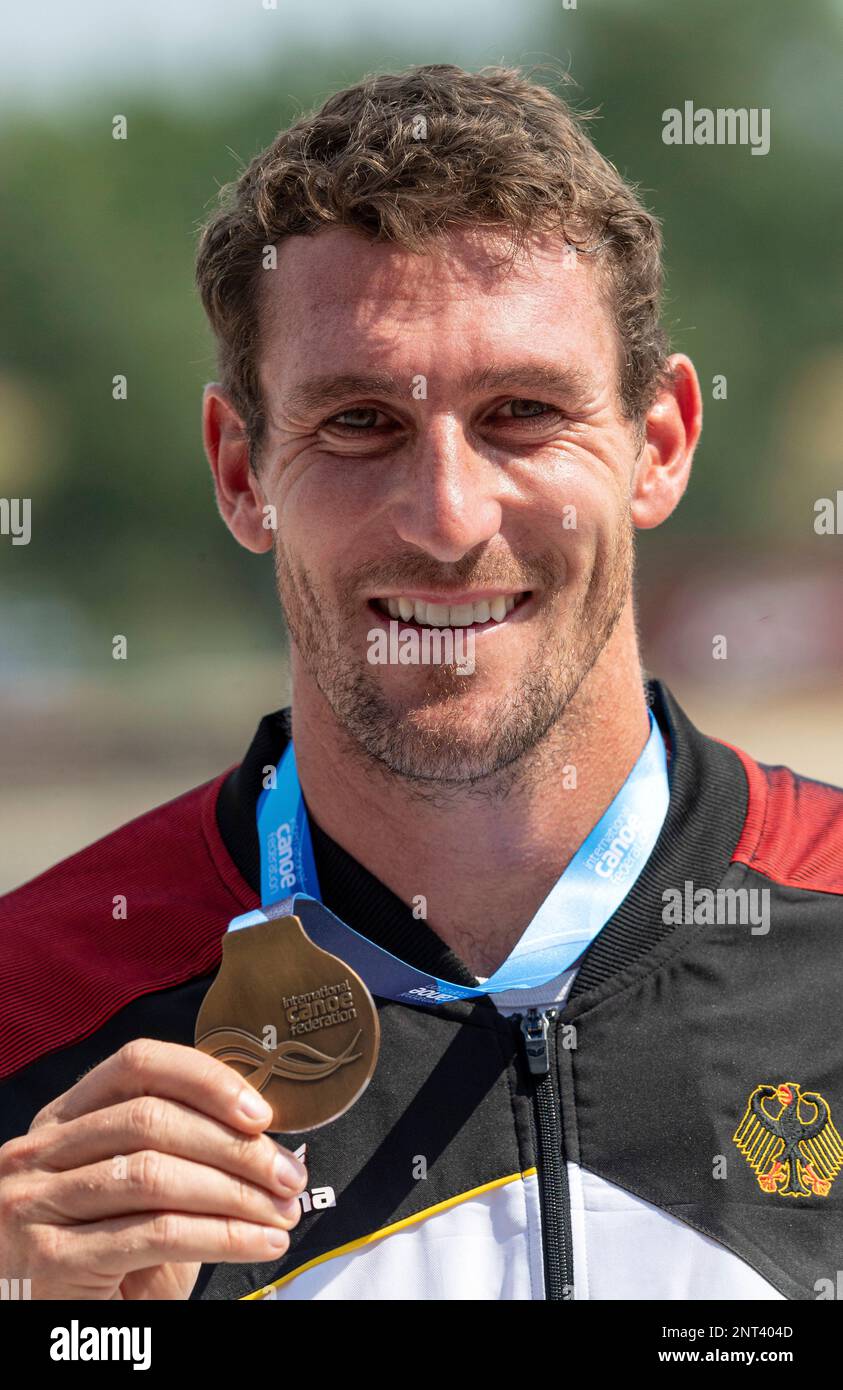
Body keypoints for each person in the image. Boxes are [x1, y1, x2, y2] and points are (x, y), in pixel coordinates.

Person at [1, 63, 841, 1303]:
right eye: (358, 424)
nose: (447, 520)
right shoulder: (32, 1009)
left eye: (521, 412)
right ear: (240, 471)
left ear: (656, 446)